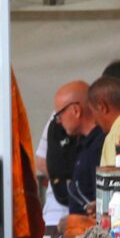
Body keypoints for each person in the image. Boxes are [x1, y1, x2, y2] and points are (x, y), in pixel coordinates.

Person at [41, 80, 103, 229]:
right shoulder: (83, 144)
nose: (58, 121)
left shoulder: (100, 145)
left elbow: (101, 204)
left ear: (76, 110)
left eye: (60, 114)